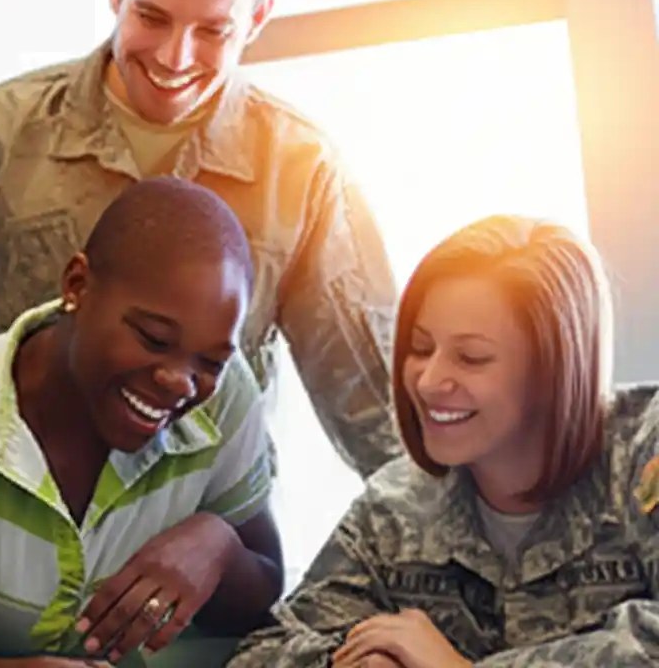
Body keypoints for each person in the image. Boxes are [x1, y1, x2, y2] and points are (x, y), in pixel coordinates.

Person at [0, 0, 400, 479]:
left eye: (213, 32)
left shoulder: (302, 170)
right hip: (10, 493)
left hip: (208, 508)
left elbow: (377, 414)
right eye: (152, 18)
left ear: (257, 18)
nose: (175, 59)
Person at [0, 178, 283, 668]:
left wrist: (218, 545)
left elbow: (263, 596)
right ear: (77, 285)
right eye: (153, 338)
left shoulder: (223, 396)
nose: (180, 381)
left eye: (210, 362)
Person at [229, 215, 659, 667]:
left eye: (471, 357)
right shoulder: (395, 509)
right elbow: (261, 655)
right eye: (420, 348)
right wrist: (356, 662)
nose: (429, 381)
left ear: (555, 368)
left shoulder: (644, 454)